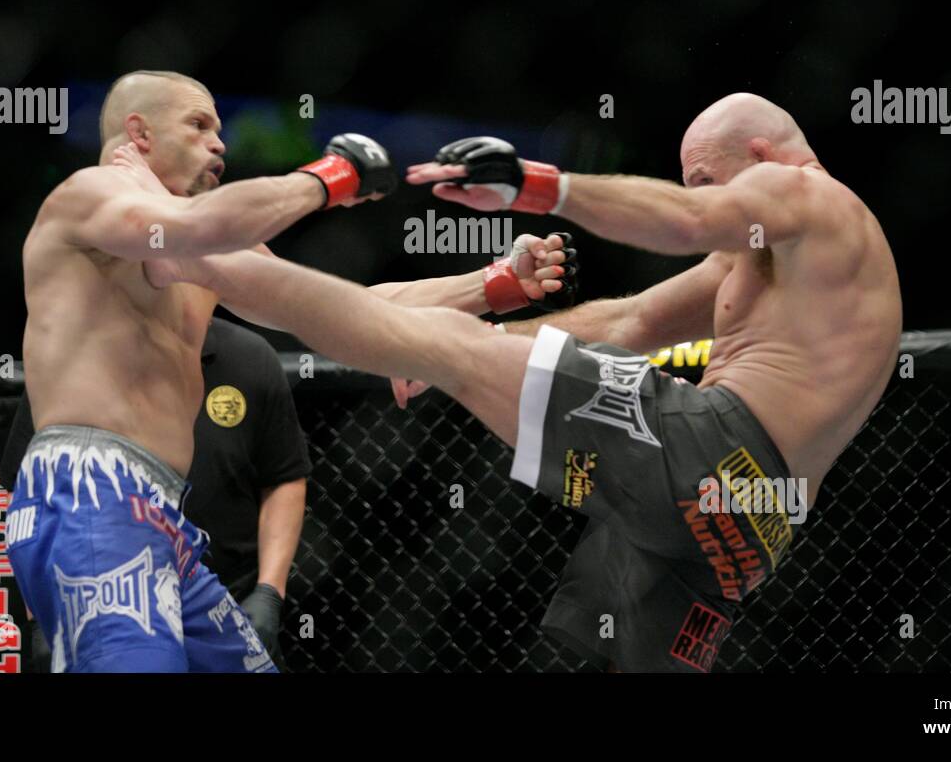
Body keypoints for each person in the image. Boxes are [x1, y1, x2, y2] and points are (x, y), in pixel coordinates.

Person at [143, 92, 903, 672]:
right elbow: (632, 322)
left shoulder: (804, 197)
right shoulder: (783, 257)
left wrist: (538, 186)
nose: (707, 195)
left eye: (708, 178)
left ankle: (253, 278)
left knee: (445, 342)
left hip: (707, 449)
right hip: (744, 527)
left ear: (763, 155)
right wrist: (479, 343)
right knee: (580, 658)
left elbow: (683, 219)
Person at [6, 69, 573, 672]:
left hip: (162, 516)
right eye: (199, 125)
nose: (219, 143)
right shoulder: (90, 196)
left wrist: (489, 285)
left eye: (219, 129)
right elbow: (208, 224)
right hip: (89, 489)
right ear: (138, 133)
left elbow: (333, 305)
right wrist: (324, 180)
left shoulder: (198, 243)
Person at [0, 318, 311, 671]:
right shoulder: (77, 359)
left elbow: (284, 476)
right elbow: (26, 493)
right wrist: (40, 615)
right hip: (106, 602)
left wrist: (269, 592)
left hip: (223, 594)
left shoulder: (250, 357)